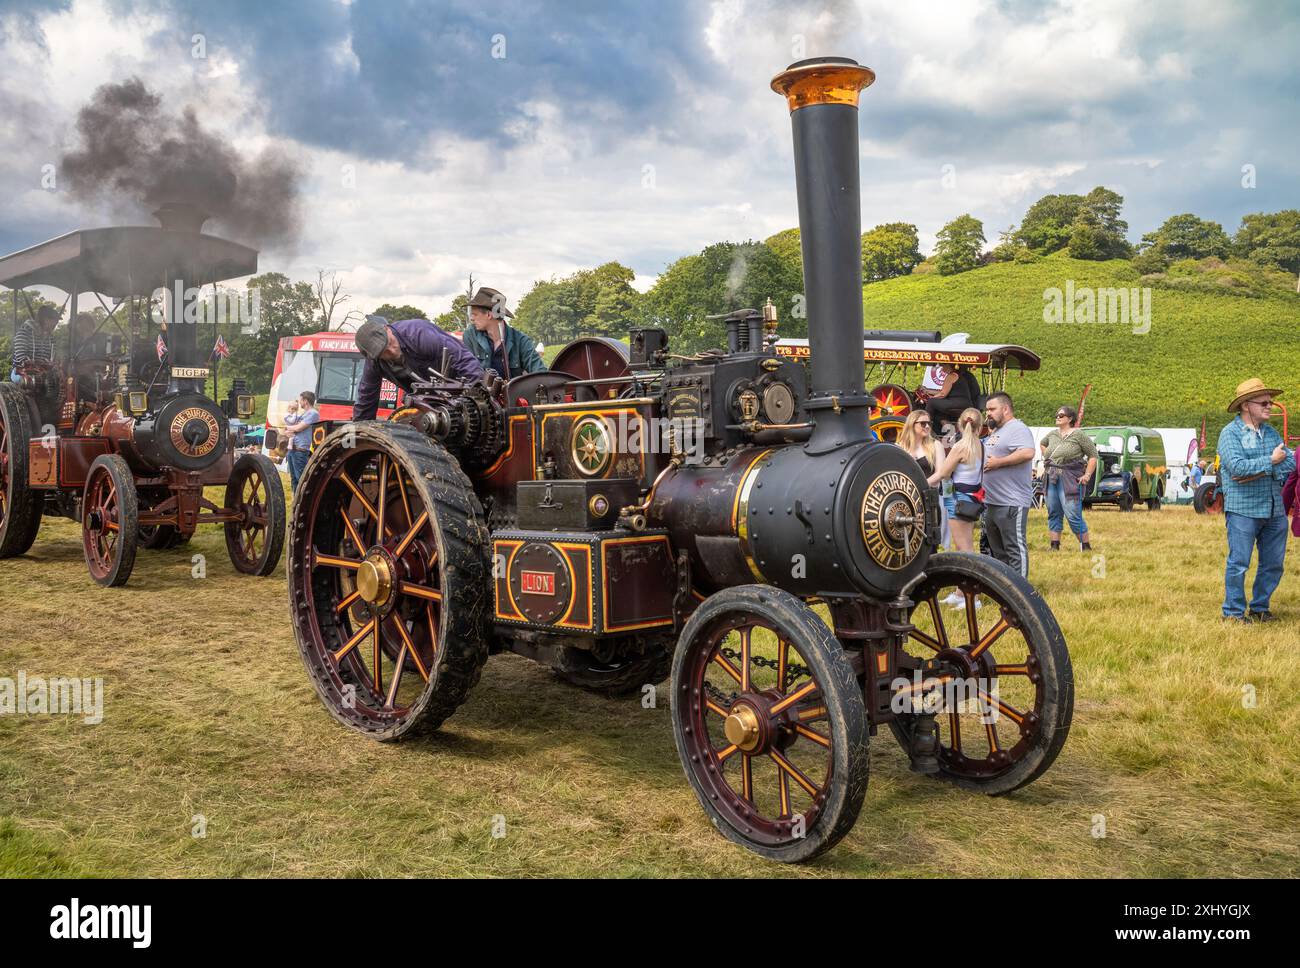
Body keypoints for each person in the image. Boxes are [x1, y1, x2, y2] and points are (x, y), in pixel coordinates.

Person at [1216, 378, 1295, 622]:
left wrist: (1260, 469)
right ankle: (1233, 613)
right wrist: (1271, 462)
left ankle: (1260, 608)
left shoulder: (1271, 433)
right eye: (1264, 402)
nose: (1270, 405)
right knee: (1239, 563)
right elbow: (1237, 468)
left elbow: (1290, 464)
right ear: (1246, 405)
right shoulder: (1229, 434)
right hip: (1242, 510)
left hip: (1274, 510)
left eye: (1270, 401)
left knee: (1273, 564)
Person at [352, 315, 483, 421]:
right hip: (429, 406)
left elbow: (466, 362)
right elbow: (366, 400)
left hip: (460, 393)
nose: (392, 351)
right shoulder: (374, 361)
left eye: (390, 343)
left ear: (387, 329)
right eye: (384, 353)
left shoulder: (419, 334)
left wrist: (476, 402)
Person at [927, 407, 985, 607]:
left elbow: (943, 473)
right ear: (980, 425)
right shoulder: (980, 445)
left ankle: (972, 596)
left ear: (960, 424)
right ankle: (961, 592)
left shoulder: (961, 446)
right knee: (966, 544)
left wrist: (922, 483)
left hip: (958, 498)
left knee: (964, 549)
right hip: (971, 498)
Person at [980, 392, 1036, 579]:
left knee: (1014, 547)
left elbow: (1027, 453)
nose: (988, 413)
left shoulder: (1017, 428)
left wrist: (998, 462)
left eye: (992, 409)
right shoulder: (996, 431)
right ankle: (1005, 588)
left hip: (1011, 501)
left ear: (1005, 409)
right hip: (992, 501)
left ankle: (1021, 593)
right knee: (998, 551)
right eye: (987, 409)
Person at [1040, 404, 1098, 551]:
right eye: (1056, 415)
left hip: (1070, 477)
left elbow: (1093, 455)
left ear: (1070, 418)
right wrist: (1046, 455)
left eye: (1061, 415)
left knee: (1072, 512)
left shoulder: (1078, 435)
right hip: (1051, 475)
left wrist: (1087, 475)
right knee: (1053, 511)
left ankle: (1085, 547)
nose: (1057, 418)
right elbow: (1042, 443)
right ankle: (1054, 546)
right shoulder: (1052, 434)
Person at [461, 287, 545, 380]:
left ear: (489, 315)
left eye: (475, 314)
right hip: (479, 393)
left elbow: (541, 374)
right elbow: (467, 373)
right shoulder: (470, 336)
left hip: (512, 393)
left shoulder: (521, 341)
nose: (472, 318)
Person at [897, 410, 950, 548]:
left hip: (929, 501)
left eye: (929, 423)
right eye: (923, 423)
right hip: (907, 502)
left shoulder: (935, 445)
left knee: (929, 544)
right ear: (911, 424)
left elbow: (941, 473)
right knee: (907, 542)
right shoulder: (900, 447)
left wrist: (920, 486)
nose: (927, 426)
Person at [923, 363, 980, 436]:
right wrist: (927, 391)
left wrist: (930, 398)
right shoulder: (957, 375)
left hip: (958, 403)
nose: (942, 368)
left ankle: (925, 424)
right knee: (938, 409)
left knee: (931, 402)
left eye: (943, 366)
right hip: (963, 404)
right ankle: (949, 428)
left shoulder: (951, 376)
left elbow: (943, 394)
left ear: (949, 366)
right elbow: (943, 391)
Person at [282, 391, 321, 491]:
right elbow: (294, 428)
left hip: (300, 450)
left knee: (301, 479)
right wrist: (289, 430)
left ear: (305, 401)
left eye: (300, 400)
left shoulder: (313, 413)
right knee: (294, 479)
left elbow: (299, 428)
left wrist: (287, 427)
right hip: (293, 450)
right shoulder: (304, 414)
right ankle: (296, 503)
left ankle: (303, 503)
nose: (299, 402)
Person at [11, 305, 59, 382]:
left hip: (43, 373)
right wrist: (38, 365)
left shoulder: (51, 338)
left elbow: (53, 358)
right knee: (32, 382)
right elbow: (21, 359)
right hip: (20, 372)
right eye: (54, 320)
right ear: (45, 320)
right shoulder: (24, 333)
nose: (56, 323)